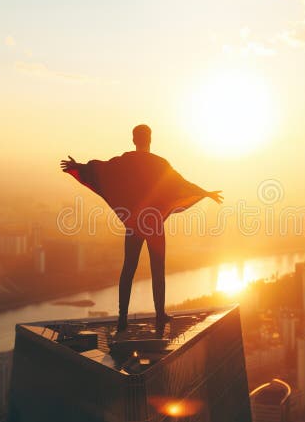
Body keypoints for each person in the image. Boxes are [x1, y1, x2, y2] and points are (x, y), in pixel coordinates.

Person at [61, 124, 222, 333]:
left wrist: (79, 167)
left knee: (128, 269)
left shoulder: (126, 160)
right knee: (158, 270)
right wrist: (205, 192)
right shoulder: (160, 164)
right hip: (154, 223)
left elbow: (101, 170)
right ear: (150, 139)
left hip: (134, 222)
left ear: (134, 140)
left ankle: (122, 318)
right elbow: (181, 184)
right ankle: (160, 315)